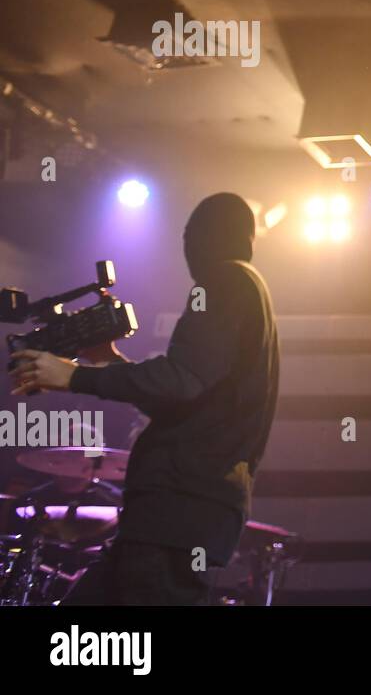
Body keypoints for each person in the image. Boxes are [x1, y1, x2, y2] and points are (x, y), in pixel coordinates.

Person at [10, 192, 280, 604]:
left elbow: (179, 381)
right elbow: (183, 396)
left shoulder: (225, 282)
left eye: (189, 236)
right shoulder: (248, 290)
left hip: (176, 516)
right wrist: (109, 362)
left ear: (204, 236)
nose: (186, 249)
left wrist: (75, 376)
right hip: (183, 517)